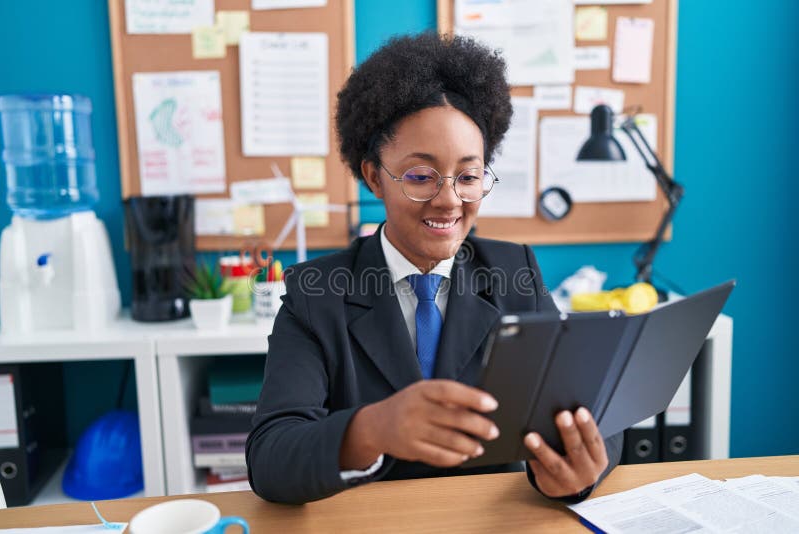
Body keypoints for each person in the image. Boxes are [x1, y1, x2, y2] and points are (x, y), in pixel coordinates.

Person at [246, 32, 622, 505]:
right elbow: (270, 457)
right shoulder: (316, 292)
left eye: (468, 176)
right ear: (373, 177)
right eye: (421, 176)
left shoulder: (514, 273)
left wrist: (574, 474)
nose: (448, 199)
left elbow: (595, 415)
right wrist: (371, 430)